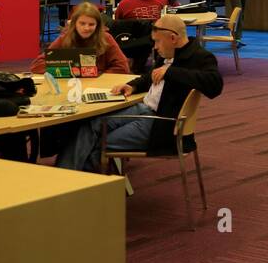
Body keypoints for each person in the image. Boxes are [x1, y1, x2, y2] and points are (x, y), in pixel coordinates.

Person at [55, 14, 223, 172]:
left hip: (163, 124)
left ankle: (79, 188)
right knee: (90, 126)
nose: (155, 47)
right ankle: (64, 178)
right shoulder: (169, 53)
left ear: (173, 38)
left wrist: (171, 72)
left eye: (157, 42)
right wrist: (133, 86)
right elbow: (152, 76)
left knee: (99, 142)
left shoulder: (200, 57)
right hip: (145, 110)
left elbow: (215, 85)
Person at [30, 1, 129, 75]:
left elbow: (122, 67)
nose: (86, 28)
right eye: (82, 23)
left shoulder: (106, 38)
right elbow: (37, 65)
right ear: (74, 23)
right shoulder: (65, 38)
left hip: (98, 85)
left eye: (91, 24)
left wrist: (96, 74)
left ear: (97, 26)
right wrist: (72, 71)